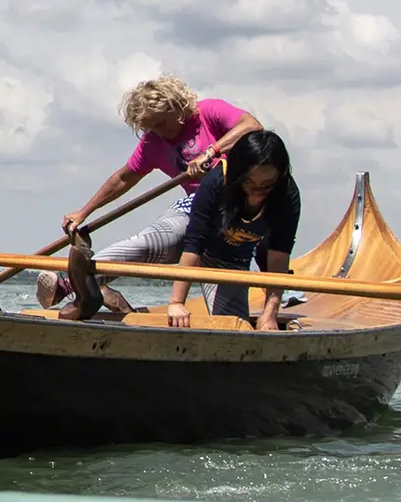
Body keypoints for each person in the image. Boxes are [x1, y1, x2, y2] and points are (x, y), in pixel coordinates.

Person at [37, 75, 262, 320]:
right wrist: (84, 212)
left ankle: (105, 294)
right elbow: (124, 178)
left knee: (231, 322)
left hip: (232, 223)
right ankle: (69, 286)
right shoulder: (154, 141)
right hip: (194, 209)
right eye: (151, 127)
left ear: (176, 108)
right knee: (146, 242)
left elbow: (252, 126)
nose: (160, 132)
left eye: (162, 123)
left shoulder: (209, 112)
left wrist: (213, 151)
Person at [165, 131, 301, 331]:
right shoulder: (217, 180)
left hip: (227, 260)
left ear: (280, 177)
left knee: (237, 329)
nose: (256, 193)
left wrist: (269, 315)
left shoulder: (287, 195)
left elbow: (279, 257)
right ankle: (100, 286)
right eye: (249, 183)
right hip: (185, 234)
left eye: (266, 186)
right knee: (143, 245)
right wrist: (176, 303)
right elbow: (194, 244)